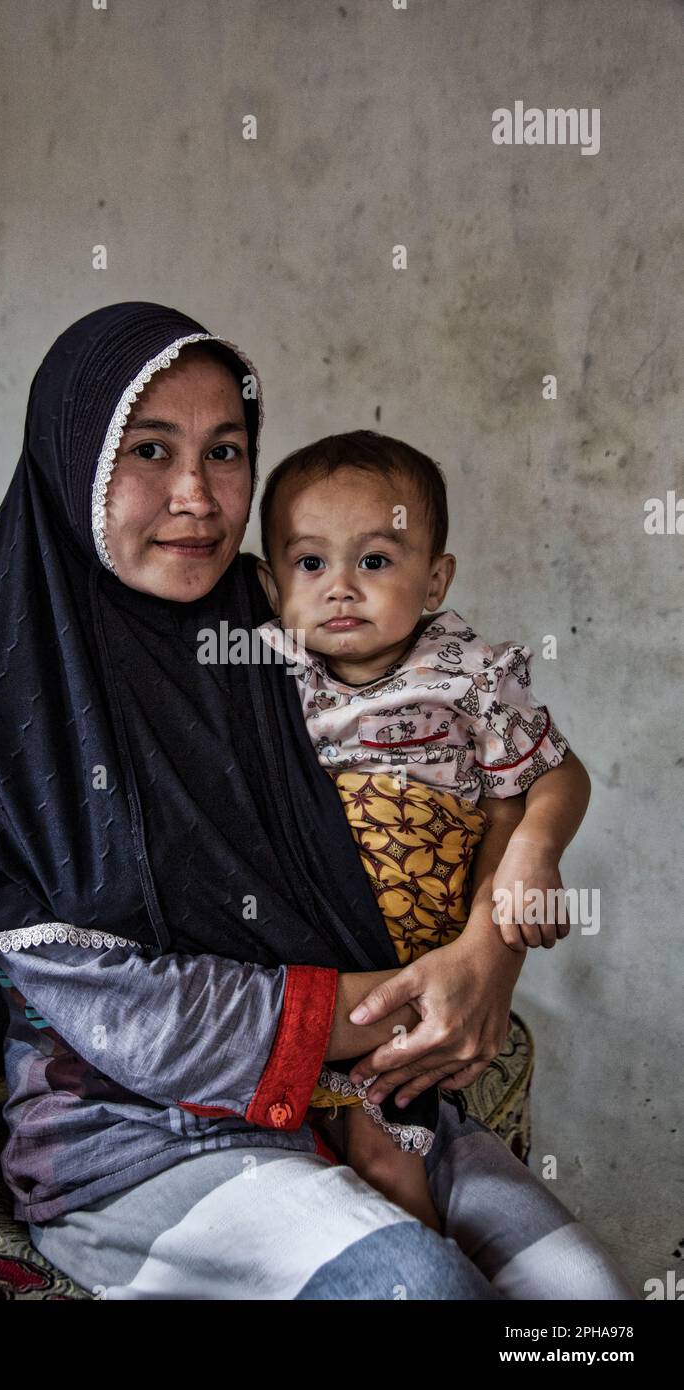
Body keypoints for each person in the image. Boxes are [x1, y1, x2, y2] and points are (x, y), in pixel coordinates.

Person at [0, 302, 636, 1300]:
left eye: (224, 451)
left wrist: (487, 950)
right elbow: (144, 1025)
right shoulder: (2, 704)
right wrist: (417, 1004)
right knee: (415, 1289)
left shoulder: (283, 636)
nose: (196, 496)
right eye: (148, 450)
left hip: (377, 1103)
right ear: (73, 459)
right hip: (138, 1142)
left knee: (589, 1303)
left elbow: (483, 774)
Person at [253, 430, 586, 1233]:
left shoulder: (467, 676)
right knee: (293, 1146)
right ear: (269, 586)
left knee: (383, 1156)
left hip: (414, 965)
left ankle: (436, 1271)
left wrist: (533, 855)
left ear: (435, 579)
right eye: (310, 564)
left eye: (375, 561)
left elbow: (556, 775)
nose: (340, 588)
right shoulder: (264, 673)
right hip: (304, 951)